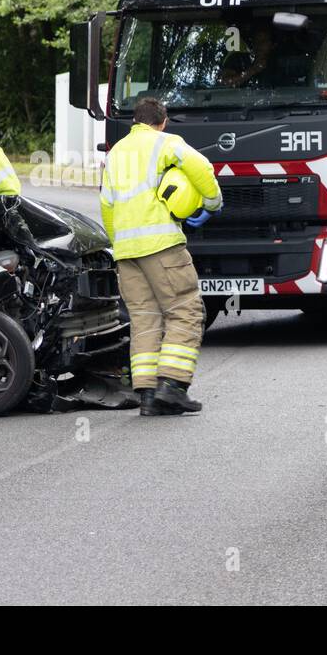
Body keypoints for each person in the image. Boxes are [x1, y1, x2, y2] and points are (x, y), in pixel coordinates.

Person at [99, 97, 222, 416]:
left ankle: (148, 396)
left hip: (127, 252)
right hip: (162, 246)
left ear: (135, 122)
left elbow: (107, 207)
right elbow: (202, 167)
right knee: (185, 311)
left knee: (144, 319)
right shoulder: (166, 142)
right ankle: (173, 386)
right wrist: (211, 202)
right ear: (162, 121)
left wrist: (120, 245)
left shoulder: (115, 155)